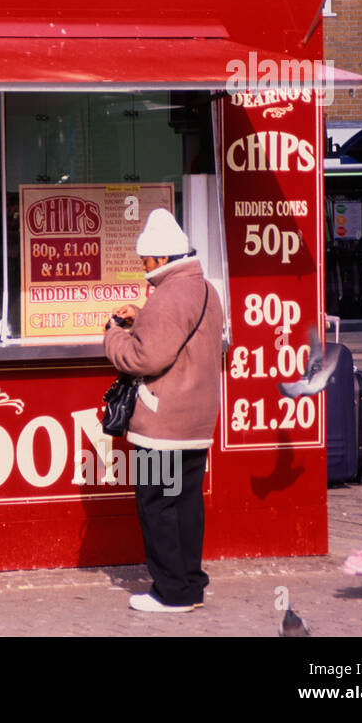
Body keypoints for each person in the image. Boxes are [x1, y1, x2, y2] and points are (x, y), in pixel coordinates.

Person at [103, 207, 223, 613]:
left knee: (157, 504)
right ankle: (190, 583)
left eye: (145, 262)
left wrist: (113, 337)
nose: (143, 269)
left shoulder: (169, 295)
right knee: (185, 501)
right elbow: (180, 339)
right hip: (196, 420)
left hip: (163, 425)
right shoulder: (204, 288)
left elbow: (144, 360)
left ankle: (170, 592)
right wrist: (142, 318)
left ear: (160, 258)